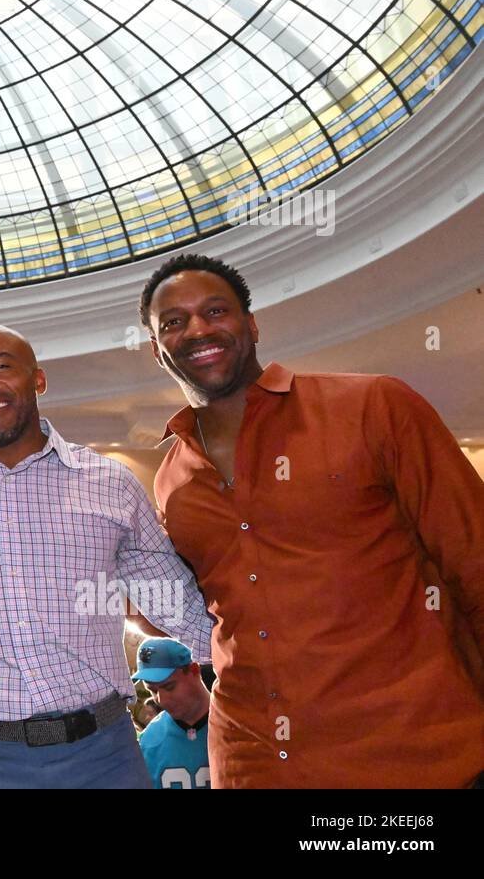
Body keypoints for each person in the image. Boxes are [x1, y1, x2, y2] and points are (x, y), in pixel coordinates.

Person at [140, 252, 484, 788]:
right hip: (253, 763)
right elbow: (215, 614)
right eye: (174, 323)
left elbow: (474, 560)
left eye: (215, 311)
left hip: (413, 756)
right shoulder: (170, 481)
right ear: (159, 352)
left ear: (251, 325)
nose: (198, 329)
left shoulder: (375, 407)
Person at [0, 324, 214, 788]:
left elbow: (176, 605)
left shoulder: (111, 483)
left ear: (38, 380)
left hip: (101, 756)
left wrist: (269, 660)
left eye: (0, 366)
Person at [130, 637, 211, 789]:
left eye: (169, 687)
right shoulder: (149, 742)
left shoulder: (238, 726)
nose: (162, 700)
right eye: (152, 691)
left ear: (194, 670)